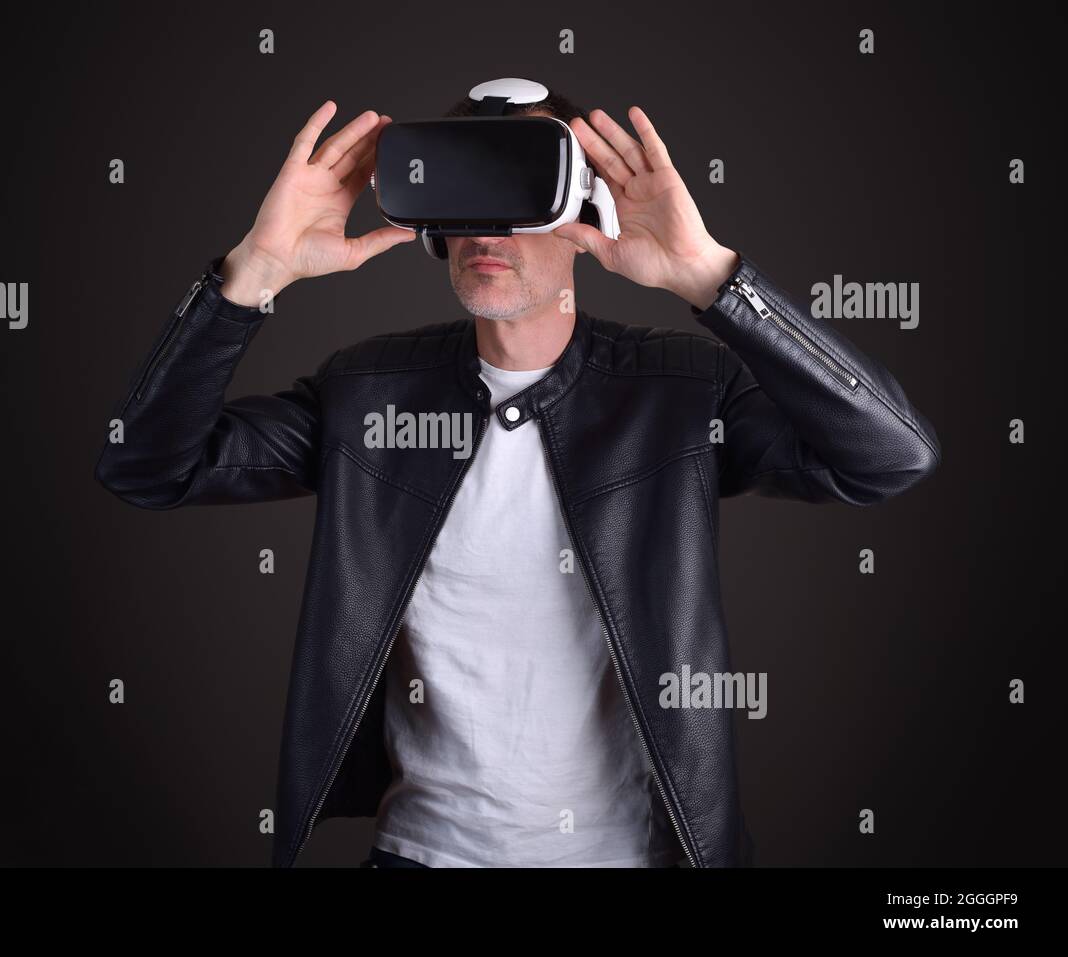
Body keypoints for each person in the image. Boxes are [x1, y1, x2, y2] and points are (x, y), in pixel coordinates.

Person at [94, 85, 941, 868]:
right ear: (434, 223)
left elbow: (888, 454)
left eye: (521, 191)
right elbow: (146, 465)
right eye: (466, 192)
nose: (488, 230)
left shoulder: (681, 392)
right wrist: (252, 275)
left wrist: (715, 280)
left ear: (587, 214)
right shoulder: (367, 393)